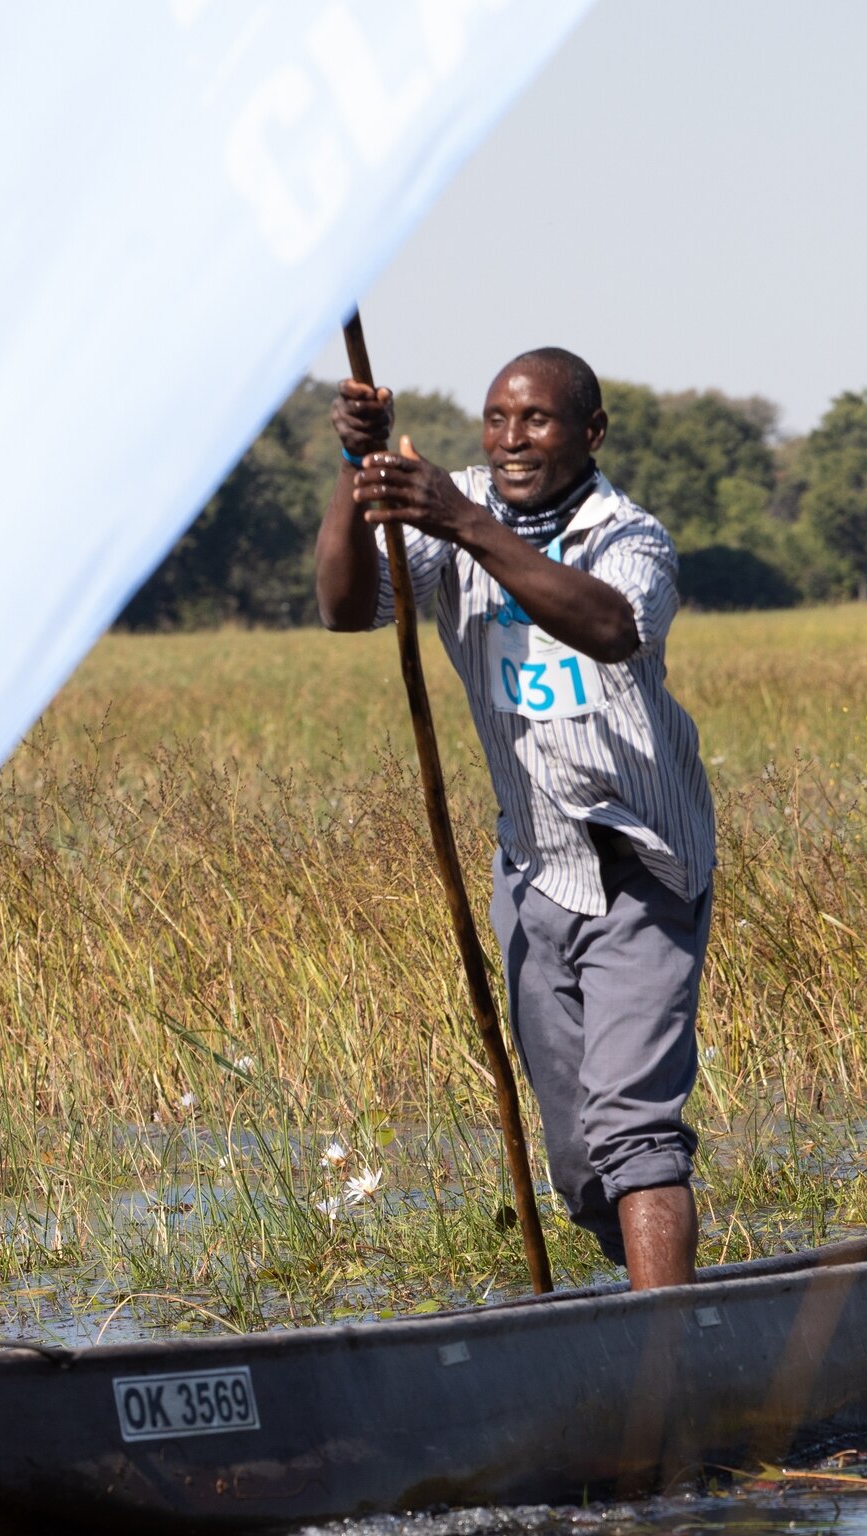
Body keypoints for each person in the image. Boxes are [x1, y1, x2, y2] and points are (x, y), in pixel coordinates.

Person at [318, 347, 712, 1288]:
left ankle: (673, 1359)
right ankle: (663, 1293)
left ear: (590, 433)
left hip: (639, 864)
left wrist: (464, 525)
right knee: (581, 1166)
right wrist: (356, 476)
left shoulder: (629, 536)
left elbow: (611, 628)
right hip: (535, 871)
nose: (511, 439)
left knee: (635, 1131)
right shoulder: (448, 504)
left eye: (535, 420)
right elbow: (344, 606)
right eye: (497, 419)